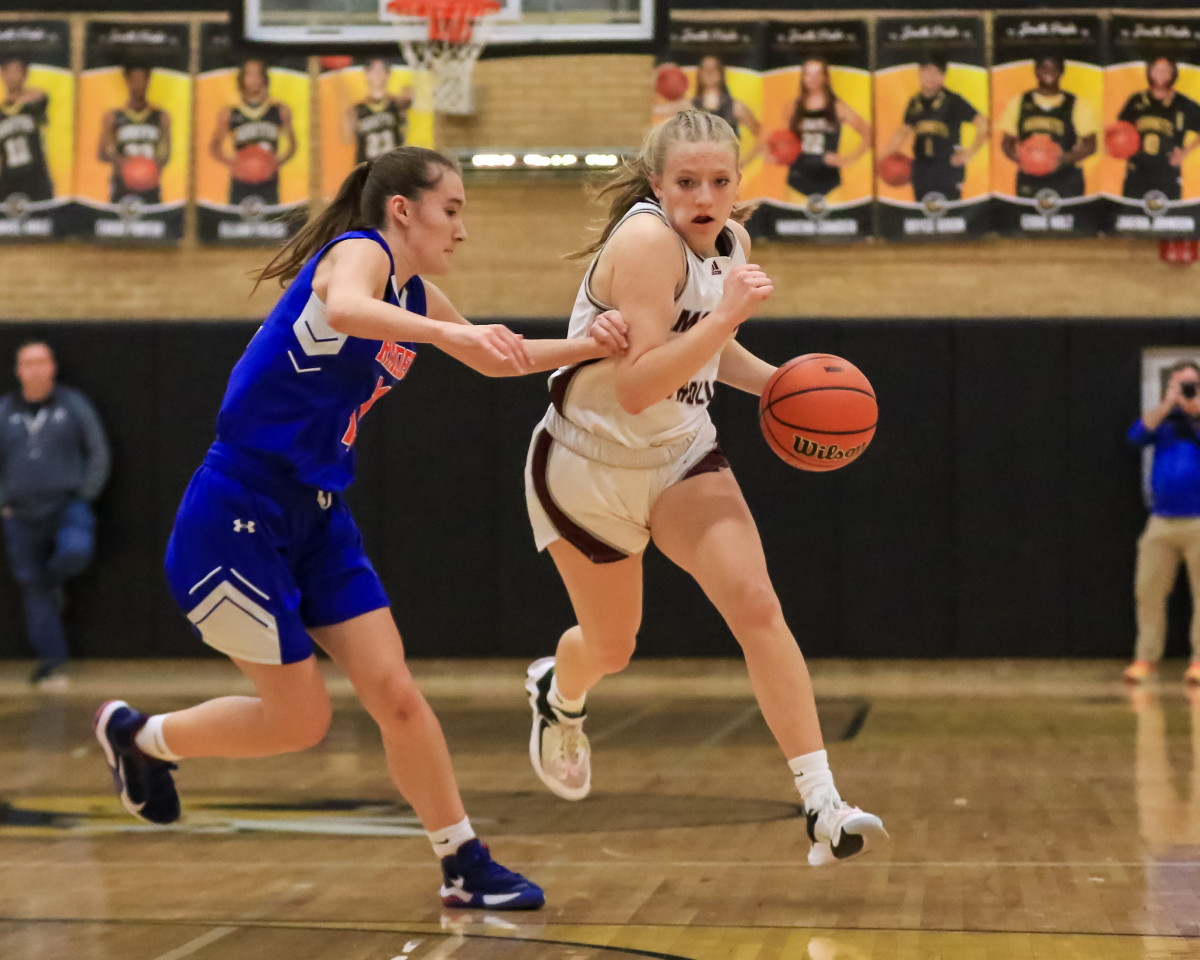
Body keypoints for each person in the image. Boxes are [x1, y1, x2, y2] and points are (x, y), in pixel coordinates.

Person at [91, 145, 628, 908]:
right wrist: (448, 335)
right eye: (454, 209)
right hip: (236, 511)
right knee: (300, 720)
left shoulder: (415, 295)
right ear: (403, 210)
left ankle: (462, 863)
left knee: (397, 693)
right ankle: (140, 739)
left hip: (316, 514)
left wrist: (590, 346)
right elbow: (346, 310)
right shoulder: (358, 252)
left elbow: (494, 356)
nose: (463, 229)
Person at [521, 108, 888, 866]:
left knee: (756, 603)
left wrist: (788, 383)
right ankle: (559, 688)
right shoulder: (648, 241)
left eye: (720, 181)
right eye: (687, 181)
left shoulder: (730, 243)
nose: (705, 195)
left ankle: (821, 800)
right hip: (587, 465)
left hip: (681, 455)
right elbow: (638, 384)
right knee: (611, 648)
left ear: (737, 186)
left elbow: (709, 361)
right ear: (658, 183)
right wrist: (725, 318)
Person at [0, 342, 110, 689]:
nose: (34, 368)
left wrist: (86, 492)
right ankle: (51, 663)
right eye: (27, 363)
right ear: (18, 370)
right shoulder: (5, 410)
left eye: (41, 361)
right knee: (33, 589)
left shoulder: (72, 404)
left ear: (52, 367)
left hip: (68, 507)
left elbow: (97, 449)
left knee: (73, 553)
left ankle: (53, 580)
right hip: (20, 514)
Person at [1125, 360, 1200, 686]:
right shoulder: (1163, 422)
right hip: (1161, 521)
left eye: (1191, 385)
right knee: (1149, 590)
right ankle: (1145, 658)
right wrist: (1168, 405)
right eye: (1180, 385)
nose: (1186, 392)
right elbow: (1136, 436)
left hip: (1199, 520)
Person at [880, 52, 988, 203]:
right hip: (921, 168)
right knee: (922, 214)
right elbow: (903, 132)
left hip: (948, 167)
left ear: (943, 76)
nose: (930, 76)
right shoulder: (914, 101)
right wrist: (883, 158)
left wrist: (970, 153)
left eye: (936, 72)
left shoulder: (953, 101)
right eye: (926, 70)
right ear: (919, 72)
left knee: (949, 214)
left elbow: (984, 124)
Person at [999, 54, 1097, 201]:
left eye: (1054, 68)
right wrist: (1020, 159)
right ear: (1036, 71)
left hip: (1066, 178)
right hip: (1029, 177)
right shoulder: (1019, 102)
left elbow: (1091, 144)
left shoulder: (1077, 103)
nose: (1049, 72)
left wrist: (1062, 159)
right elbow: (1007, 142)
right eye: (1044, 67)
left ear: (1061, 72)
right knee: (1029, 220)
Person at [210, 58, 296, 207]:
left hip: (269, 181)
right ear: (242, 78)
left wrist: (278, 162)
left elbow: (292, 144)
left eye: (257, 74)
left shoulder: (280, 110)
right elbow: (214, 147)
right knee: (236, 223)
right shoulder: (230, 113)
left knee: (271, 223)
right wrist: (232, 163)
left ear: (264, 78)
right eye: (249, 74)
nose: (254, 79)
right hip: (240, 182)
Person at [784, 56, 871, 202]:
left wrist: (847, 160)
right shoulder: (792, 107)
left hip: (830, 185)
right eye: (808, 73)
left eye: (818, 73)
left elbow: (868, 133)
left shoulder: (838, 107)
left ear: (826, 77)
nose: (813, 78)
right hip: (796, 185)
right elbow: (783, 142)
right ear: (803, 77)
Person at [1117, 57, 1200, 204]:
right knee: (1130, 220)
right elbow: (1120, 130)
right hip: (1136, 173)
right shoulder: (1135, 100)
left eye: (1166, 69)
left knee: (1167, 221)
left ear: (1173, 73)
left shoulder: (1183, 104)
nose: (1161, 73)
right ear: (1149, 72)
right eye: (1157, 68)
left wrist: (1185, 152)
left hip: (1167, 176)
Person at [654, 56, 761, 161]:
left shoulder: (736, 107)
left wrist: (744, 162)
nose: (709, 72)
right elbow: (655, 110)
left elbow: (760, 134)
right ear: (700, 74)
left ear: (721, 73)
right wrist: (656, 74)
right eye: (705, 69)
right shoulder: (688, 105)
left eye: (713, 68)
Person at [98, 64, 170, 205]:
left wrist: (148, 169)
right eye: (135, 80)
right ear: (127, 81)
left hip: (151, 186)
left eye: (143, 79)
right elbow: (102, 153)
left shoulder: (161, 117)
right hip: (122, 185)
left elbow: (166, 154)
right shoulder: (113, 117)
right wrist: (123, 163)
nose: (139, 85)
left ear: (149, 81)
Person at [0, 57, 54, 204]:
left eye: (16, 71)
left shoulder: (33, 103)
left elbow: (41, 96)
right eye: (8, 72)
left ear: (25, 74)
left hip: (35, 175)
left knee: (44, 218)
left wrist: (16, 102)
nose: (12, 77)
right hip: (9, 178)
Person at [344, 58, 412, 164]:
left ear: (387, 74)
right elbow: (347, 138)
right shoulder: (357, 109)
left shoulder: (397, 104)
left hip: (392, 167)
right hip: (367, 169)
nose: (378, 75)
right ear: (367, 73)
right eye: (374, 70)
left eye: (381, 71)